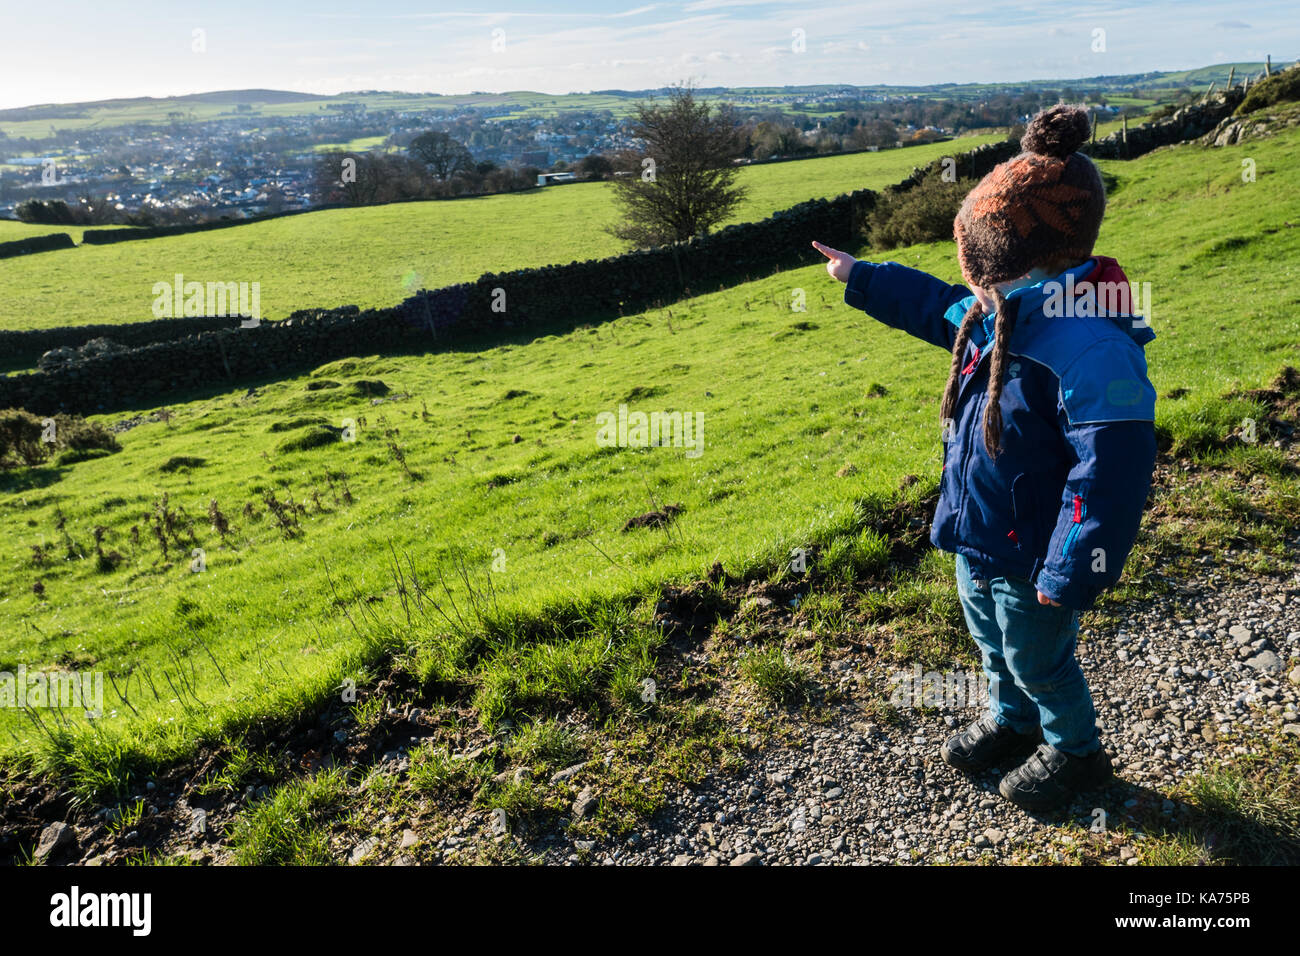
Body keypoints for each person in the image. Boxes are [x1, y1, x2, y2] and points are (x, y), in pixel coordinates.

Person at [813, 105, 1157, 811]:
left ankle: (1076, 753)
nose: (969, 284)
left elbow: (1111, 474)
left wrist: (1071, 565)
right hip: (980, 534)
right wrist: (863, 277)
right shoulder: (992, 318)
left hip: (1038, 554)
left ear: (1032, 262)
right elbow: (932, 304)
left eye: (981, 267)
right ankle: (1013, 720)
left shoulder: (1091, 350)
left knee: (1040, 656)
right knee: (992, 642)